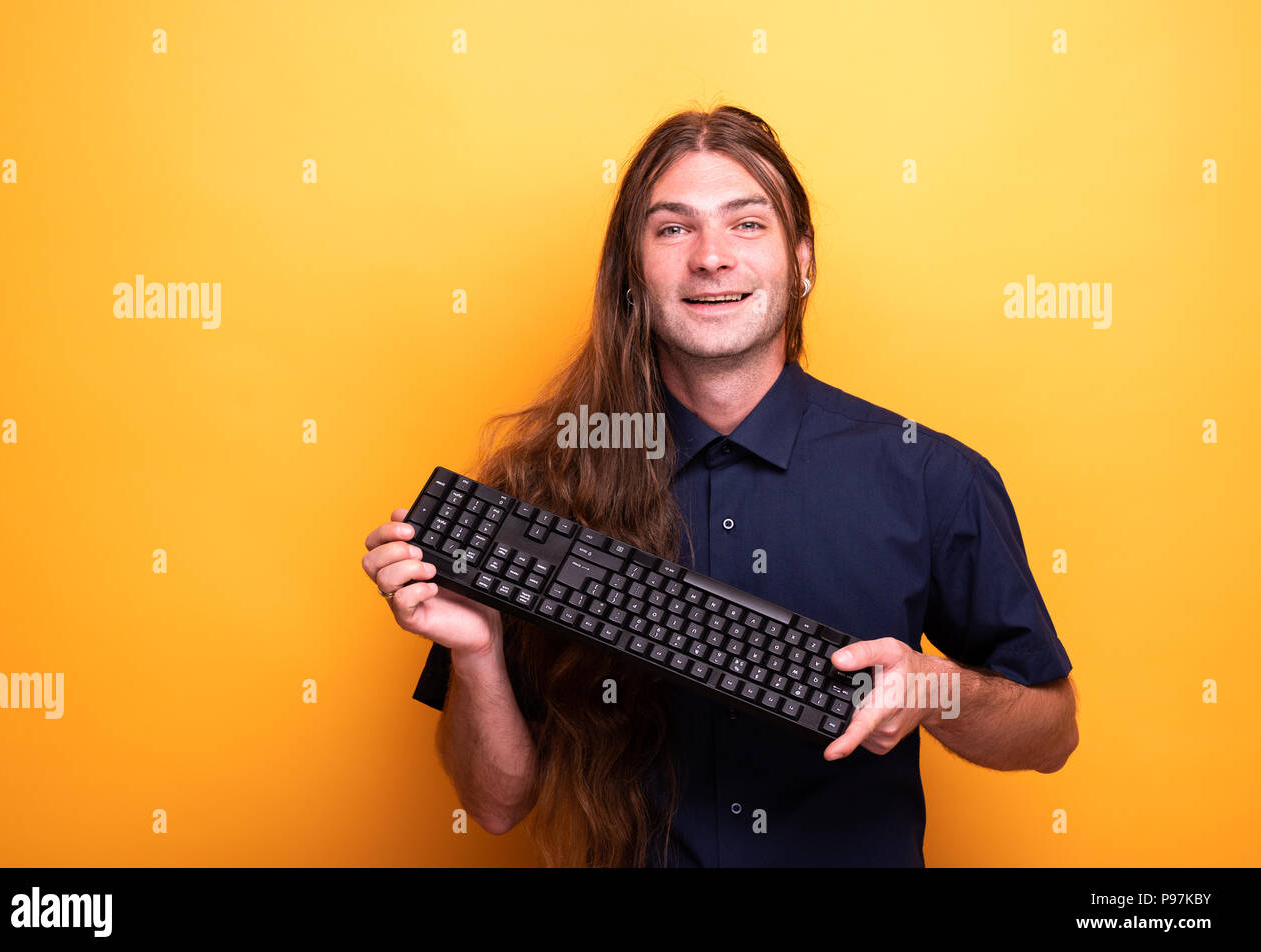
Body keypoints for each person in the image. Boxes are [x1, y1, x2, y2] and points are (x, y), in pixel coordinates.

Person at [361, 104, 1078, 867]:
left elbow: (1053, 732)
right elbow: (497, 803)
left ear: (801, 261)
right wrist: (477, 652)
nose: (711, 257)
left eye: (746, 224)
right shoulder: (547, 483)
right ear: (632, 274)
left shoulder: (931, 476)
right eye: (673, 228)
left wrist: (940, 690)